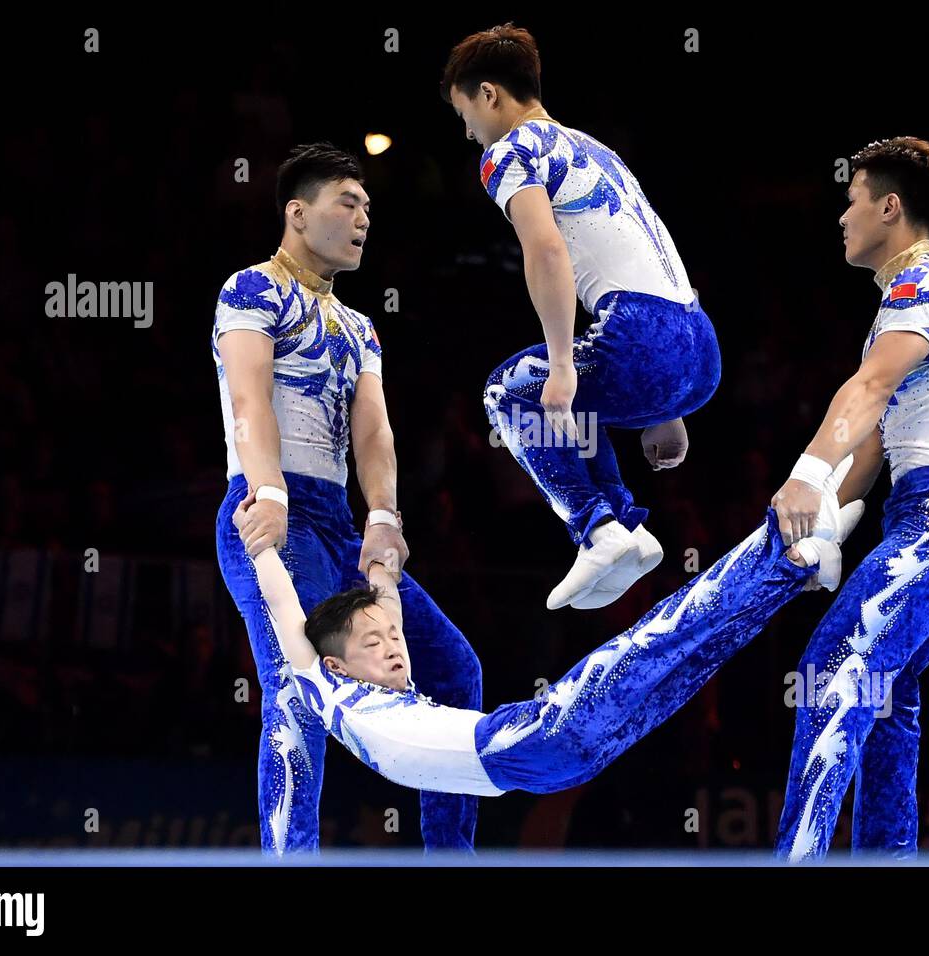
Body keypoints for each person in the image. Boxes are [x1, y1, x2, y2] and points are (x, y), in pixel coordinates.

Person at [231, 460, 863, 800]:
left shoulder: (379, 668)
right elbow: (288, 616)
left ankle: (796, 564)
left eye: (392, 637)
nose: (394, 644)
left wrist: (382, 529)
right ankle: (787, 543)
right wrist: (263, 546)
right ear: (336, 665)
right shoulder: (318, 677)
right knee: (663, 644)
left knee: (678, 661)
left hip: (536, 754)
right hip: (522, 750)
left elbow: (386, 589)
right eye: (375, 644)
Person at [212, 143, 481, 855]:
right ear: (297, 213)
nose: (364, 218)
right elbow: (249, 400)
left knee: (454, 670)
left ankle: (450, 856)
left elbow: (374, 433)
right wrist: (267, 491)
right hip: (270, 511)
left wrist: (385, 518)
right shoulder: (250, 292)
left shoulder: (360, 328)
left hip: (337, 525)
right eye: (348, 203)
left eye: (368, 207)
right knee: (295, 692)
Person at [770, 137, 929, 861]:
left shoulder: (924, 286)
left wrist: (804, 476)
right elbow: (875, 440)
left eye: (852, 199)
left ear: (890, 206)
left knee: (834, 665)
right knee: (887, 699)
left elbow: (867, 390)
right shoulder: (911, 305)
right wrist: (832, 524)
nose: (842, 216)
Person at [441, 23, 722, 610]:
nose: (467, 132)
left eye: (464, 112)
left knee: (508, 392)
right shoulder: (596, 148)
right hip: (700, 343)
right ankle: (623, 529)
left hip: (646, 340)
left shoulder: (510, 152)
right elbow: (653, 244)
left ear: (489, 94)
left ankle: (593, 529)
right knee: (569, 399)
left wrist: (564, 362)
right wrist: (668, 403)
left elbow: (546, 251)